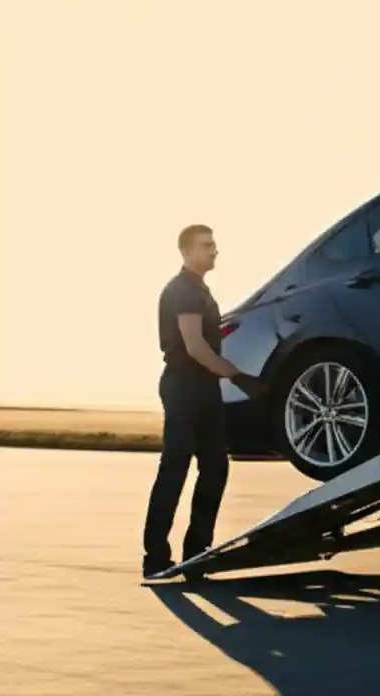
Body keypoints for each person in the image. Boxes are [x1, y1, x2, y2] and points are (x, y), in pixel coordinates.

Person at [142, 224, 264, 580]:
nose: (214, 250)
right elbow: (195, 347)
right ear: (187, 251)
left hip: (204, 387)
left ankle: (196, 552)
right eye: (206, 245)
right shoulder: (183, 291)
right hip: (184, 387)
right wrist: (238, 376)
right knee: (175, 467)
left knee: (215, 467)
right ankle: (155, 556)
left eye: (214, 245)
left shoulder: (198, 290)